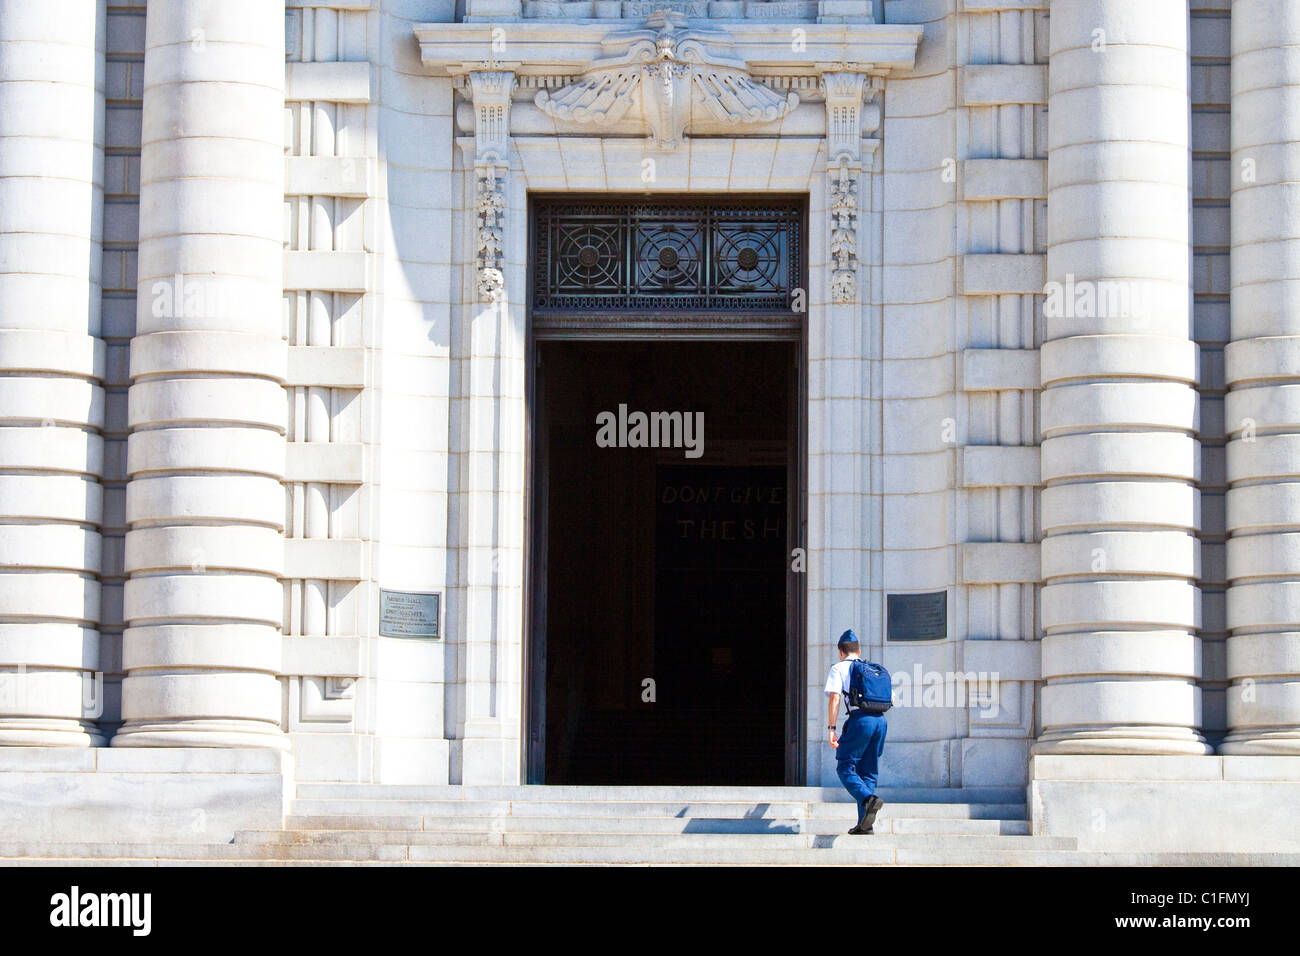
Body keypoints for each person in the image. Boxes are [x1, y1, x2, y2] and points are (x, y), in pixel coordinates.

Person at [825, 628, 887, 835]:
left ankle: (868, 799)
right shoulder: (872, 669)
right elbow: (891, 699)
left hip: (860, 721)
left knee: (845, 767)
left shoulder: (839, 668)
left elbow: (835, 698)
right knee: (868, 772)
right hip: (880, 722)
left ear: (840, 651)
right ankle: (865, 825)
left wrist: (831, 728)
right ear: (858, 651)